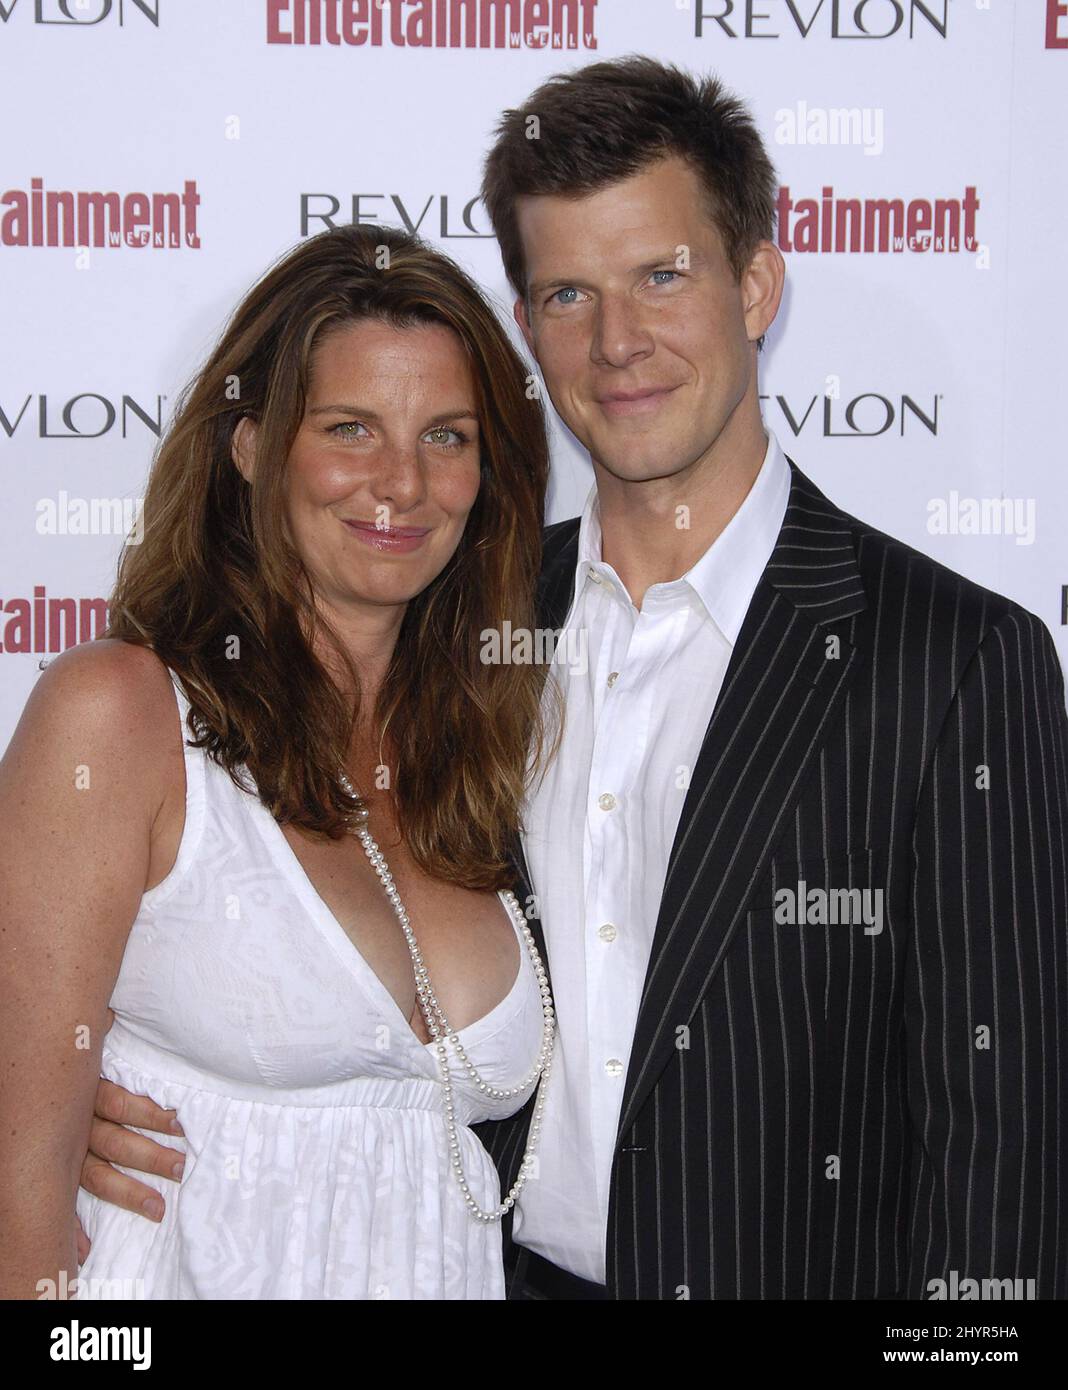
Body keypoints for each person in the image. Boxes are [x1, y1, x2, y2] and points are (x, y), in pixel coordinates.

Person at [73, 56, 1068, 1300]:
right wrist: (106, 1091)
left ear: (756, 282)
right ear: (527, 325)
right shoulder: (458, 618)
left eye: (662, 275)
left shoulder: (956, 658)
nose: (618, 344)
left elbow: (1006, 1141)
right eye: (566, 294)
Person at [0, 221, 559, 1300]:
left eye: (447, 435)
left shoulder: (496, 743)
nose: (400, 481)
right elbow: (17, 1221)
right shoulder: (118, 716)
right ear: (251, 447)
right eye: (351, 427)